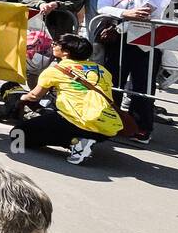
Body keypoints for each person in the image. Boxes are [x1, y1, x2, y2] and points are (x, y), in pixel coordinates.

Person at [14, 34, 120, 164]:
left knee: (17, 135)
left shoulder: (55, 70)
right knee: (52, 117)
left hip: (76, 122)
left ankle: (76, 144)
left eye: (56, 44)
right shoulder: (102, 70)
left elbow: (34, 96)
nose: (53, 46)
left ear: (65, 52)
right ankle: (82, 141)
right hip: (106, 125)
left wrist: (21, 98)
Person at [99, 0, 169, 144]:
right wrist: (124, 13)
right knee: (113, 81)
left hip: (146, 43)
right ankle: (111, 120)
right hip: (117, 39)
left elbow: (152, 9)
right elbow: (101, 7)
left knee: (142, 85)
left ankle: (141, 126)